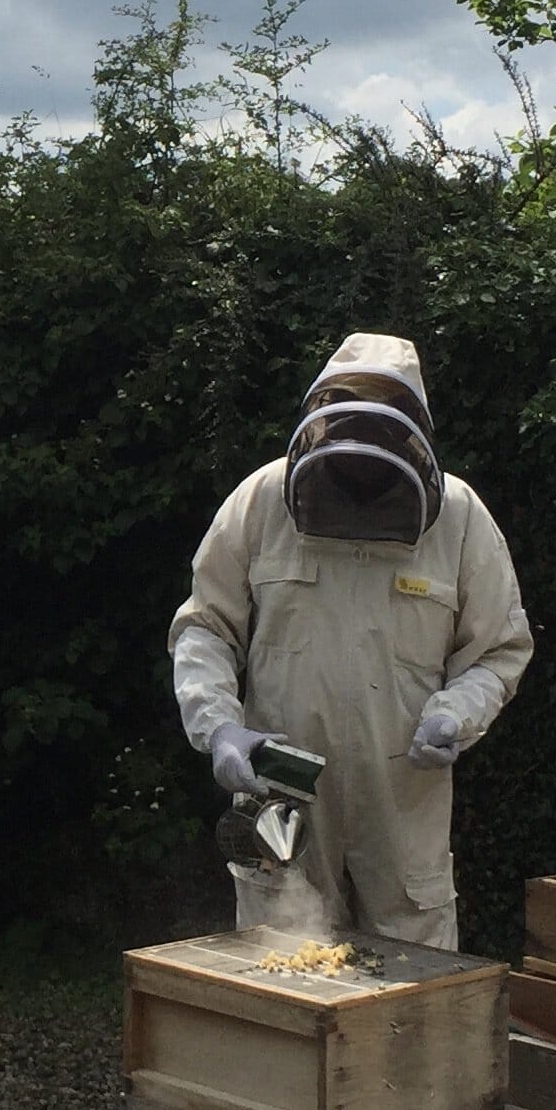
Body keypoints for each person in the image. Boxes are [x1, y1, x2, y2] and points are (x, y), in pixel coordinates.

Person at [169, 333, 532, 948]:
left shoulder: (460, 518)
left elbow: (499, 650)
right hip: (281, 788)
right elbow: (205, 628)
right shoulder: (262, 500)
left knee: (416, 980)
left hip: (403, 798)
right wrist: (219, 727)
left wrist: (457, 714)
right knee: (282, 970)